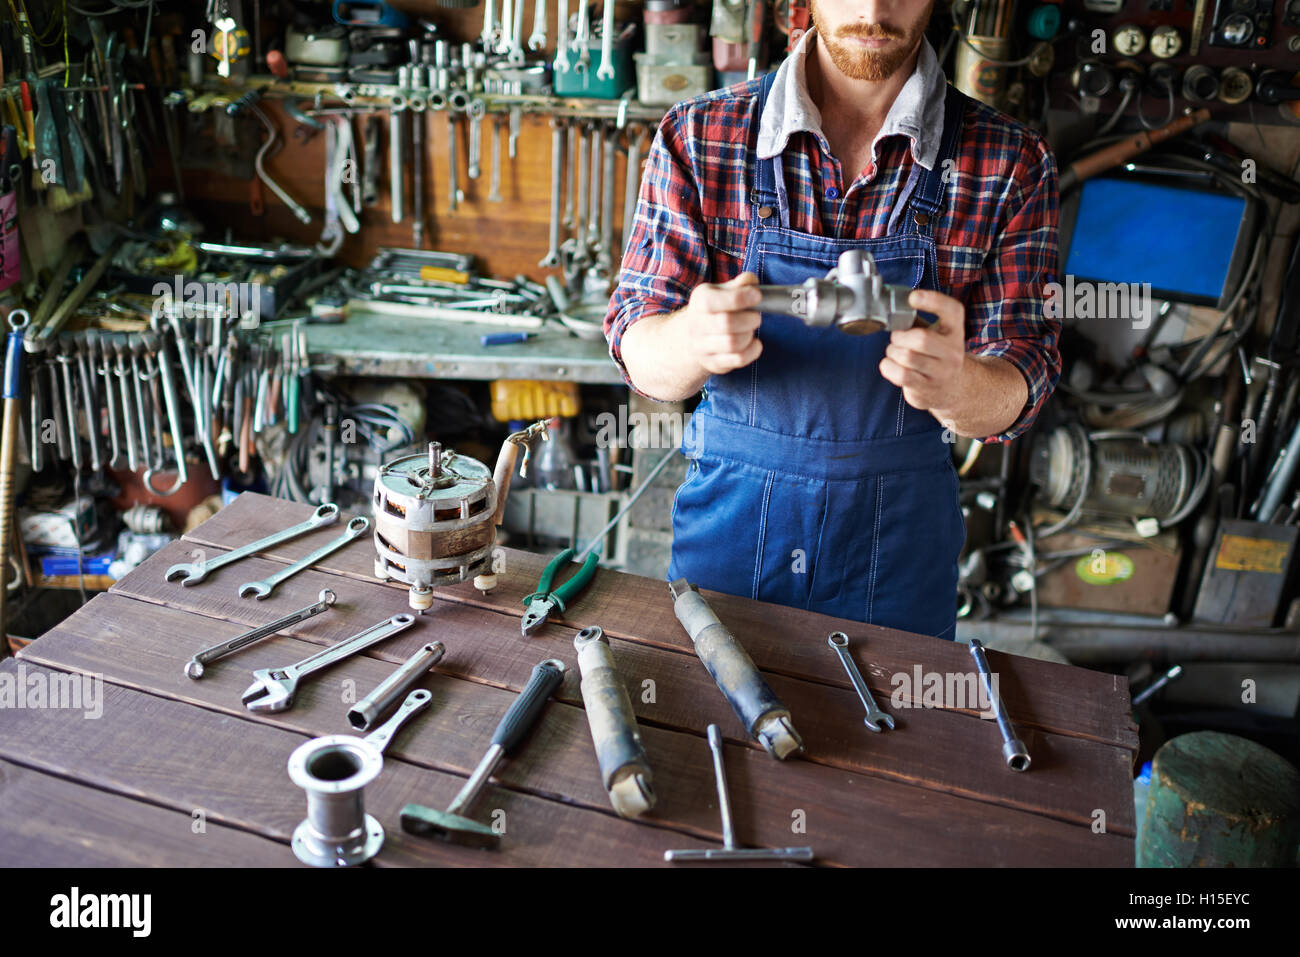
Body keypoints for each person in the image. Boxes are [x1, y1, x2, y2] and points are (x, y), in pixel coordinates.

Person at [604, 0, 1061, 640]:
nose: (874, 9)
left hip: (899, 550)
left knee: (897, 730)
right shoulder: (700, 136)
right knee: (712, 723)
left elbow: (1024, 383)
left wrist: (959, 388)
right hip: (733, 538)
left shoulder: (1009, 162)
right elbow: (639, 346)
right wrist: (688, 341)